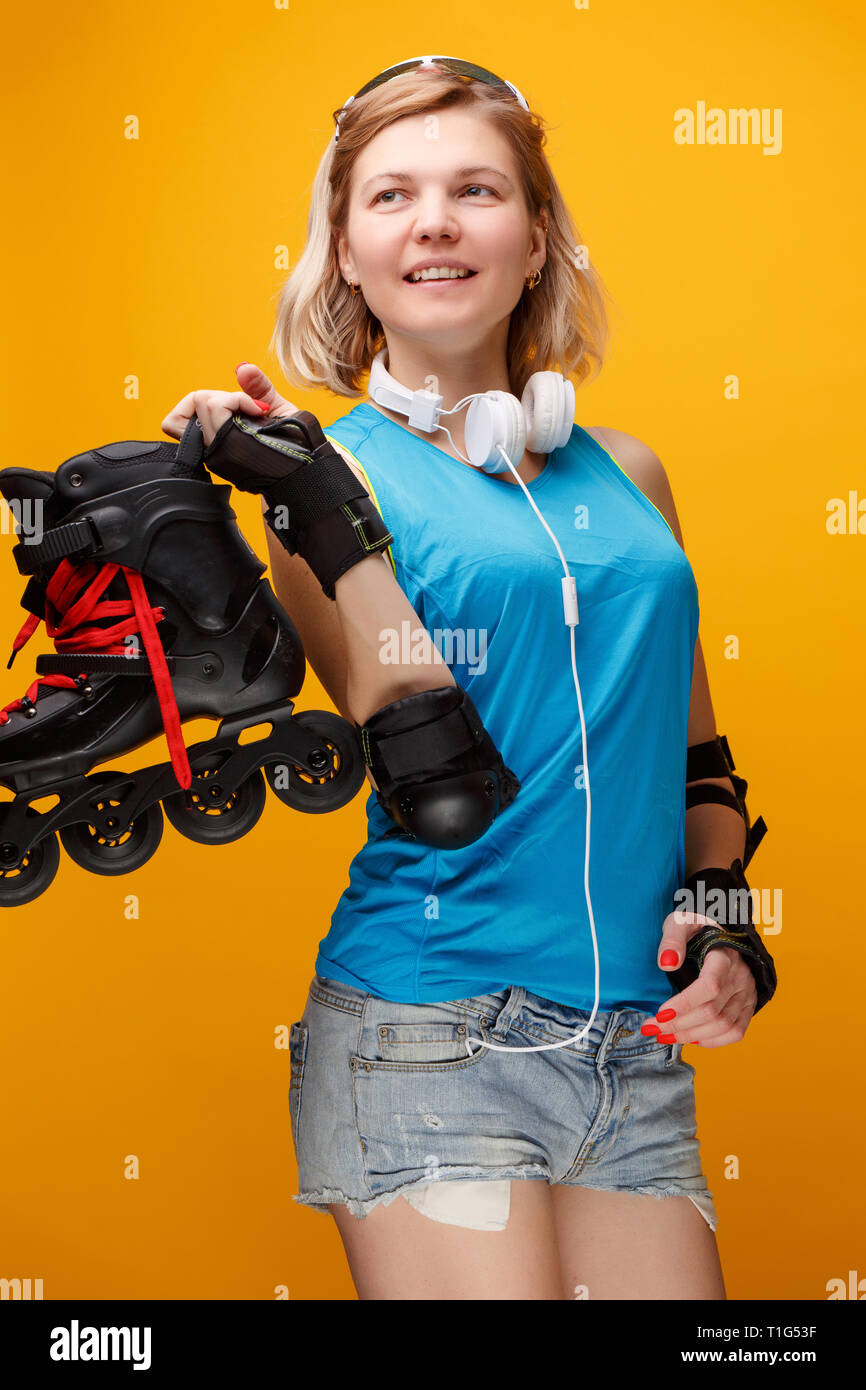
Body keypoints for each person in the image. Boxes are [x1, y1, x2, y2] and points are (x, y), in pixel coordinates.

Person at [161, 57, 775, 1301]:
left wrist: (725, 927)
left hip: (627, 1047)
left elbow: (697, 766)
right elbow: (425, 752)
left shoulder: (630, 475)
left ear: (537, 237)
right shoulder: (321, 483)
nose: (433, 221)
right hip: (430, 1032)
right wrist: (320, 505)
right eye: (388, 196)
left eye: (474, 189)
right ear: (344, 249)